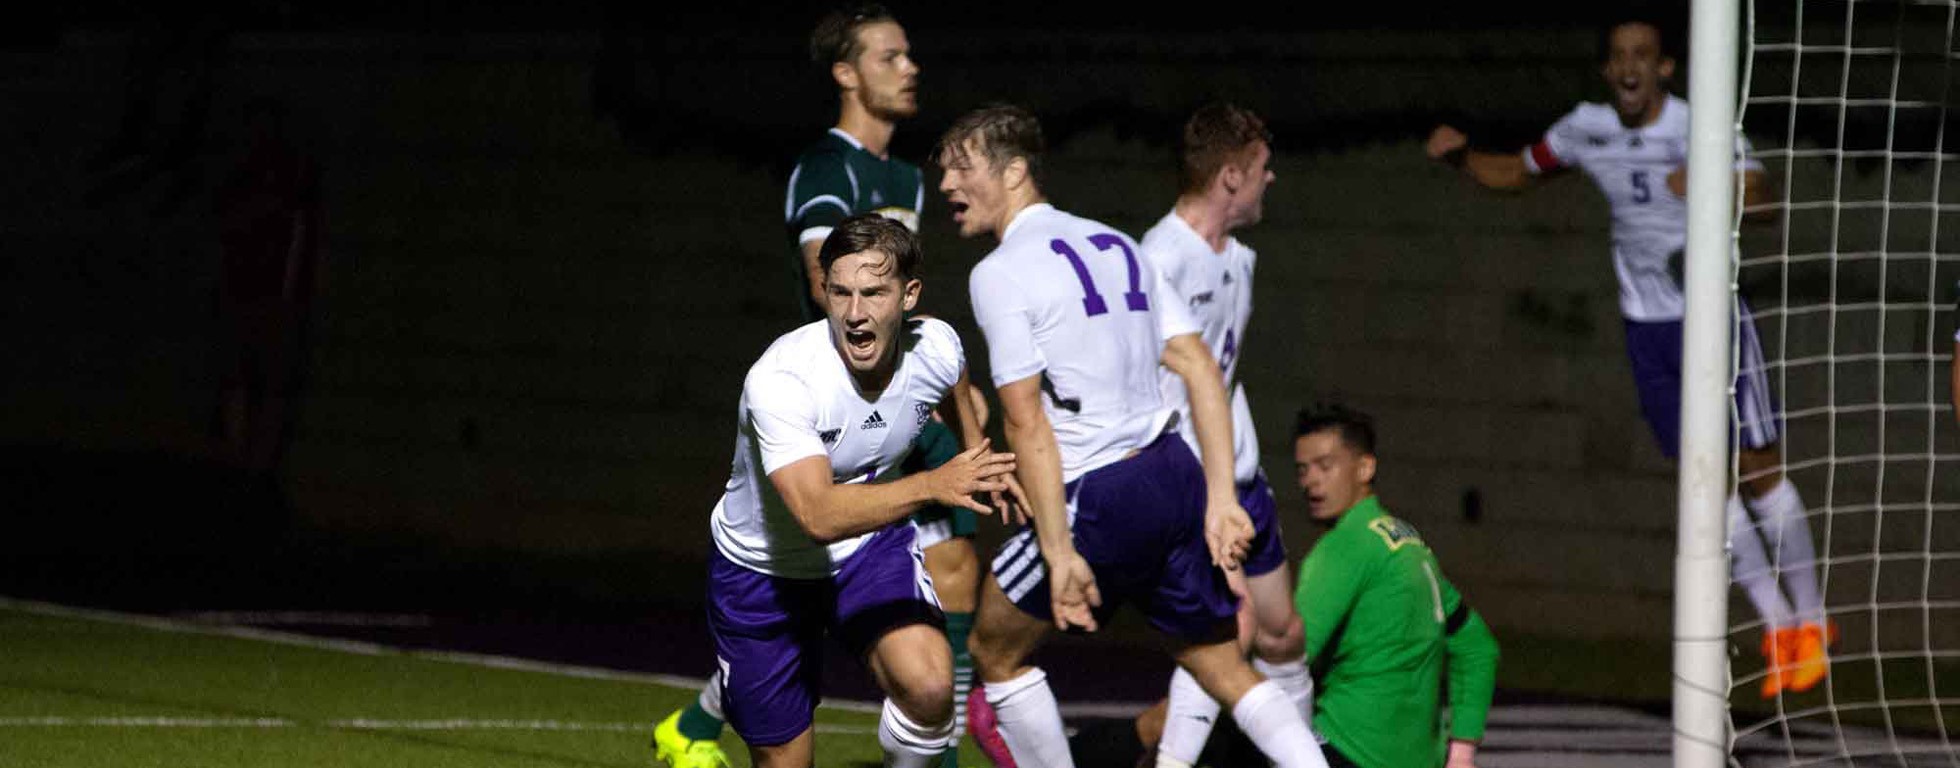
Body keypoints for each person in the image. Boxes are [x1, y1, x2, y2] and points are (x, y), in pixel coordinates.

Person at [1424, 13, 1832, 698]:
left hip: (1715, 318)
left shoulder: (1699, 125)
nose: (1630, 66)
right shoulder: (1586, 128)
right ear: (1607, 70)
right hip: (1648, 329)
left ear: (1665, 67)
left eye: (1643, 54)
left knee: (1758, 471)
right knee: (1703, 484)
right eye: (1618, 56)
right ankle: (1779, 630)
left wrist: (1716, 185)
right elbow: (1519, 171)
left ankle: (1814, 622)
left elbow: (1765, 204)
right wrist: (1461, 157)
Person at [655, 7, 1000, 767]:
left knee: (948, 589)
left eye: (910, 54)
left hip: (884, 417)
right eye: (889, 56)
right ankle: (709, 715)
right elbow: (825, 283)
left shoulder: (904, 178)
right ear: (845, 73)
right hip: (824, 424)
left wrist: (969, 431)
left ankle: (929, 743)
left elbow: (942, 346)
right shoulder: (826, 169)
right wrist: (935, 458)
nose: (910, 68)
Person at [943, 103, 1326, 768]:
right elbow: (1200, 367)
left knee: (993, 649)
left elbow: (1027, 419)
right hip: (1173, 475)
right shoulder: (1117, 243)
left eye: (962, 167)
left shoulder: (998, 272)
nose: (947, 182)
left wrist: (1058, 549)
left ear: (1014, 172)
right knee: (1219, 662)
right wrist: (1219, 499)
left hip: (1100, 496)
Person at [698, 214, 1015, 768]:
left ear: (909, 295)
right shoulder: (783, 380)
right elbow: (818, 515)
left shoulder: (935, 346)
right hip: (762, 572)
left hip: (867, 547)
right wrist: (936, 482)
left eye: (873, 293)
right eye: (840, 292)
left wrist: (978, 453)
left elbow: (955, 373)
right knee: (785, 759)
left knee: (930, 688)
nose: (854, 312)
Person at [1135, 103, 1313, 768]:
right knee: (1230, 630)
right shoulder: (1158, 260)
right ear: (1231, 176)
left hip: (1242, 474)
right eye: (1262, 167)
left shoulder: (1238, 259)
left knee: (1282, 632)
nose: (1272, 179)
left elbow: (1224, 376)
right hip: (1195, 482)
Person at [1291, 404, 1499, 768]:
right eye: (1302, 469)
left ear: (1365, 468)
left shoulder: (1345, 545)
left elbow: (1290, 654)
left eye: (1325, 466)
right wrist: (1462, 753)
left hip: (1348, 748)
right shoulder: (1408, 543)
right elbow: (1476, 645)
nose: (1311, 481)